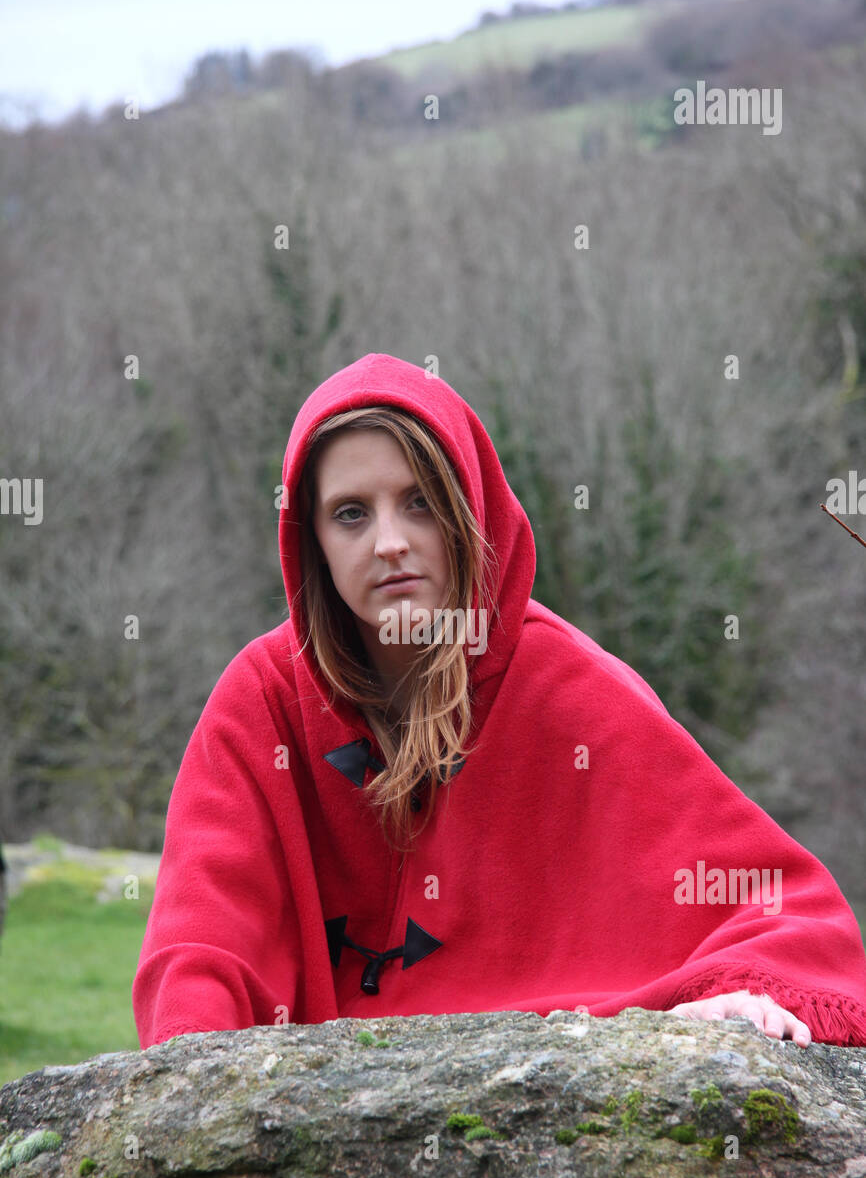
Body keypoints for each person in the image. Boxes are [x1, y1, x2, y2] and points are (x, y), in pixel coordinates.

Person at [133, 353, 866, 1049]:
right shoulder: (260, 698)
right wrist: (196, 1093)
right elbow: (199, 947)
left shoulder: (568, 685)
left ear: (465, 510)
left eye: (419, 503)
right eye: (351, 513)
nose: (389, 542)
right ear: (311, 539)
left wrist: (725, 994)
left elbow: (786, 913)